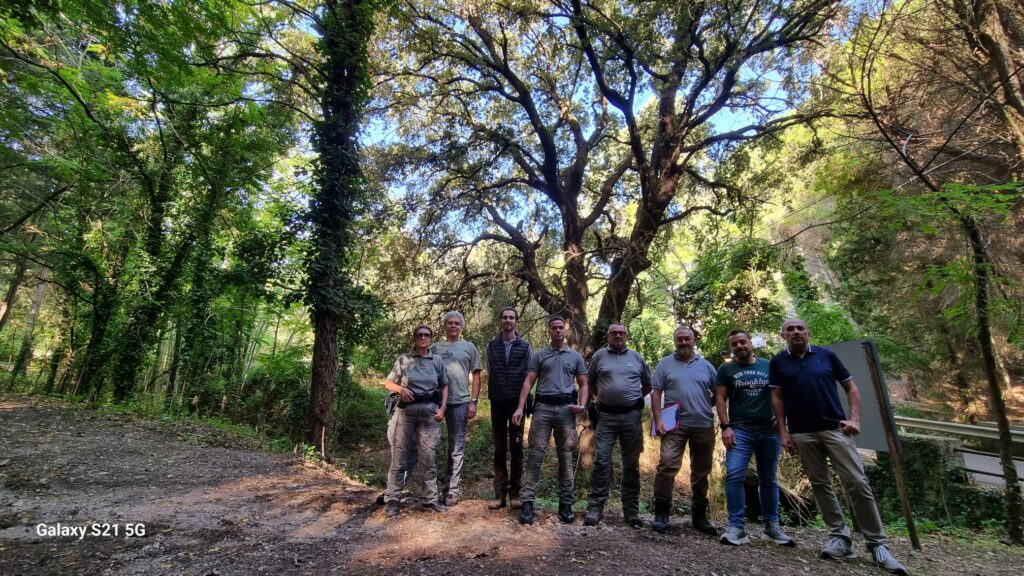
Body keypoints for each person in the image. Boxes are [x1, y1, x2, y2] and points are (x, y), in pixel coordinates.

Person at [770, 319, 908, 575]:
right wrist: (783, 431)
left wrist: (855, 419)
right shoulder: (778, 363)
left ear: (808, 332)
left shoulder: (826, 355)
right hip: (802, 433)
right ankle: (840, 538)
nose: (796, 332)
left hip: (835, 429)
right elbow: (777, 398)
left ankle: (877, 544)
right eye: (790, 329)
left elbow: (851, 388)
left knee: (857, 482)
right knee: (821, 484)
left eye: (800, 328)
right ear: (783, 336)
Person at [715, 329, 794, 546]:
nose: (739, 346)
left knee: (768, 479)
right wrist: (726, 427)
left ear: (750, 343)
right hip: (740, 430)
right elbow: (720, 399)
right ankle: (736, 527)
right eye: (735, 344)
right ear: (731, 348)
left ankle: (772, 526)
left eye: (742, 342)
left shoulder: (769, 366)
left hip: (769, 431)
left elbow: (783, 393)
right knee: (734, 474)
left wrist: (782, 418)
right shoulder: (726, 369)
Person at [512, 316, 589, 525]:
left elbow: (584, 383)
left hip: (566, 410)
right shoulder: (539, 356)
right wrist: (520, 408)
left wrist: (582, 405)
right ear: (549, 331)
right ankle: (527, 502)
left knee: (565, 457)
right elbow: (528, 382)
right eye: (553, 328)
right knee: (535, 455)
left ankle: (566, 504)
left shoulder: (575, 357)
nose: (557, 331)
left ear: (565, 331)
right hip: (543, 409)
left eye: (560, 328)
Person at [650, 326, 719, 535]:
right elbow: (655, 393)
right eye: (679, 339)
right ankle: (661, 514)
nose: (683, 343)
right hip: (674, 426)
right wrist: (658, 419)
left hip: (703, 425)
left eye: (687, 339)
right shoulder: (665, 364)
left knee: (701, 470)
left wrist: (706, 406)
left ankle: (699, 516)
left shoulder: (706, 366)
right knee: (667, 466)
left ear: (693, 340)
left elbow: (719, 393)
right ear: (674, 342)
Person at [584, 322, 651, 527]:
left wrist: (632, 399)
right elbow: (590, 382)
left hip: (631, 417)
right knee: (601, 461)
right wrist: (602, 398)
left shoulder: (636, 357)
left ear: (627, 336)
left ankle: (631, 511)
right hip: (606, 417)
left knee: (631, 464)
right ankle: (595, 508)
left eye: (622, 333)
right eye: (614, 333)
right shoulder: (599, 356)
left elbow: (648, 385)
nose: (618, 336)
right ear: (608, 336)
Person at [382, 324, 449, 517]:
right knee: (399, 456)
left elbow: (444, 386)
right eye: (419, 334)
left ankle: (430, 499)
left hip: (429, 413)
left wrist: (443, 407)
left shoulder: (437, 360)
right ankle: (393, 499)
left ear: (431, 338)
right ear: (414, 337)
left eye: (426, 335)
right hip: (405, 414)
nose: (423, 337)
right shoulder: (404, 359)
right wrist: (400, 390)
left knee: (428, 457)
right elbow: (388, 382)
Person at [431, 311, 482, 506]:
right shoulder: (434, 347)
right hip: (434, 401)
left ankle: (450, 491)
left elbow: (476, 376)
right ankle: (429, 489)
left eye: (456, 323)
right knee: (428, 445)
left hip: (460, 402)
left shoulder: (469, 347)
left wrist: (474, 401)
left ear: (462, 326)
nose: (453, 326)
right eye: (449, 323)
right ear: (444, 326)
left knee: (456, 447)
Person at [484, 307, 532, 509]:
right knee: (499, 449)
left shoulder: (525, 346)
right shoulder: (491, 345)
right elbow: (490, 371)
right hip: (497, 403)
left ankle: (516, 494)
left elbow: (530, 376)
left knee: (517, 449)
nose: (508, 320)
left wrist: (522, 404)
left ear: (516, 321)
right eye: (504, 317)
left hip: (517, 405)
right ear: (500, 321)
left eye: (511, 317)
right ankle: (499, 494)